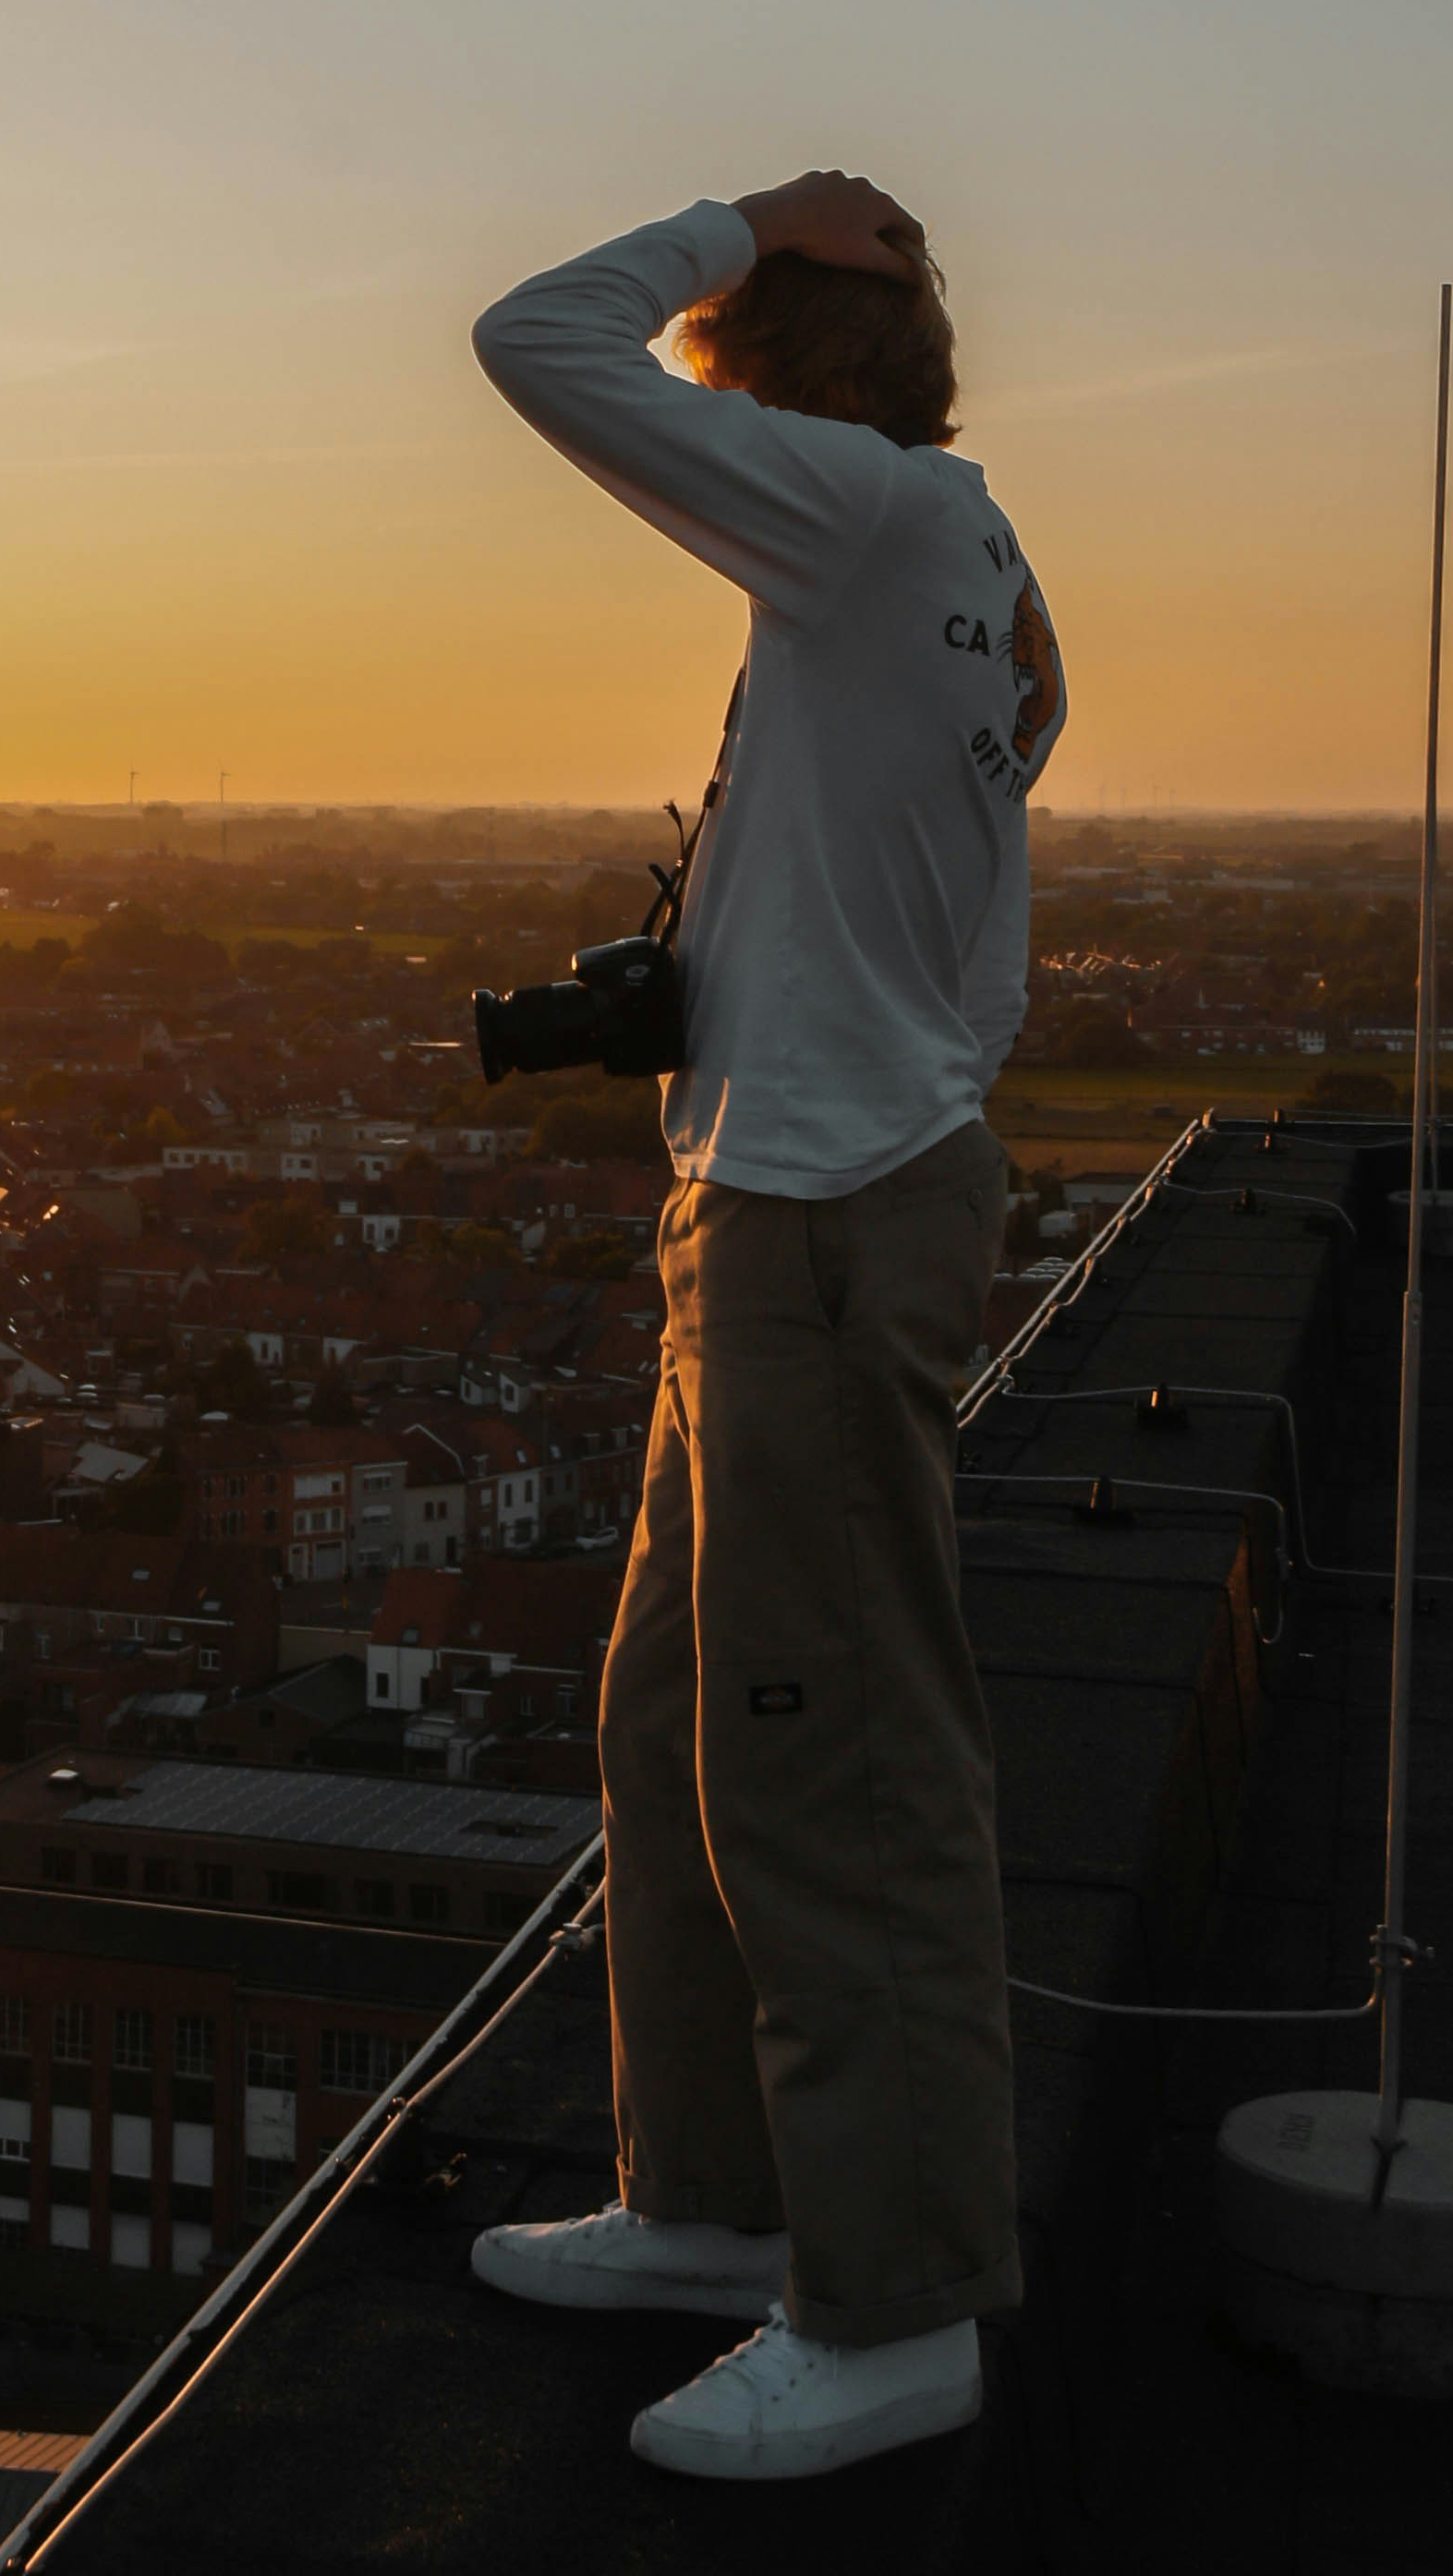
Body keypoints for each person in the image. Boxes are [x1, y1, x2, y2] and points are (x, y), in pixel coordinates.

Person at [462, 171, 1066, 2484]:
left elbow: (535, 339)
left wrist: (719, 222)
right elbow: (1000, 860)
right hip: (793, 1189)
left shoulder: (856, 517)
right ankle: (711, 2204)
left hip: (815, 1215)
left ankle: (897, 2308)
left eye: (725, 342)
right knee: (675, 1729)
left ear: (772, 361)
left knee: (838, 1763)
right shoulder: (967, 555)